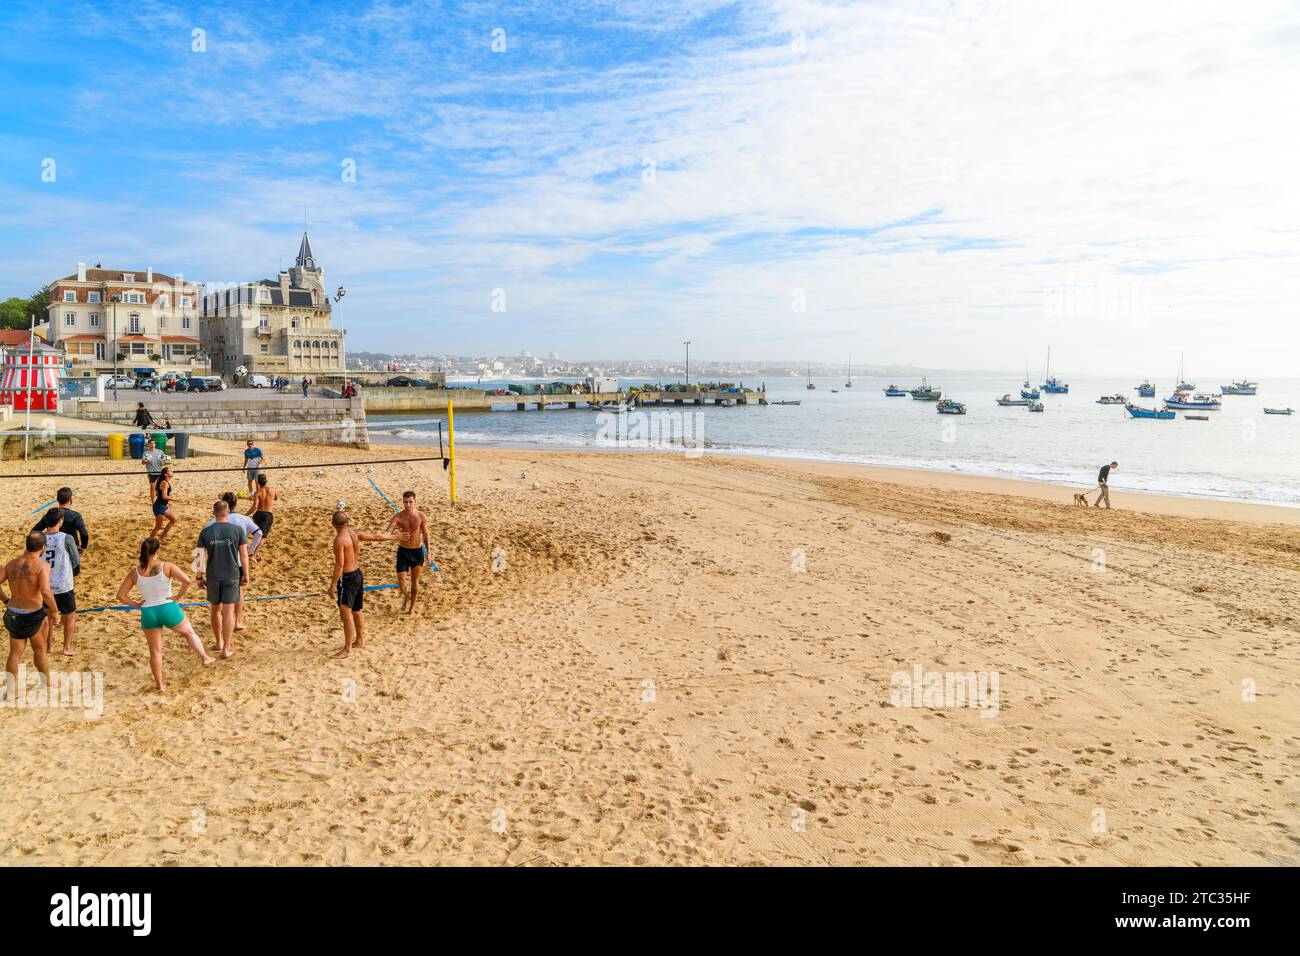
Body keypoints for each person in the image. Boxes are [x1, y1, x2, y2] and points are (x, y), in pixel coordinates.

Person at [116, 537, 214, 691]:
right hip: (167, 607)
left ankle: (160, 685)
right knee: (189, 633)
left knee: (155, 652)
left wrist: (137, 605)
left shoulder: (135, 572)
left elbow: (120, 595)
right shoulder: (166, 566)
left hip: (148, 611)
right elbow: (187, 580)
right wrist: (177, 596)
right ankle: (205, 657)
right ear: (158, 551)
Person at [329, 510, 400, 659]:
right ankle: (359, 640)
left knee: (345, 613)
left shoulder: (339, 540)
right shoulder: (354, 533)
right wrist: (394, 536)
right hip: (357, 575)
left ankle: (347, 649)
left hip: (347, 578)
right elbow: (376, 536)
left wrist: (332, 585)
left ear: (333, 525)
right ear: (347, 522)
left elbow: (340, 564)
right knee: (356, 610)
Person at [0, 532, 60, 696]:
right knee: (39, 650)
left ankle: (12, 691)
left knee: (15, 653)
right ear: (42, 548)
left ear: (27, 545)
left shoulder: (12, 564)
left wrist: (6, 600)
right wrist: (54, 611)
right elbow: (46, 592)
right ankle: (46, 685)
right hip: (31, 615)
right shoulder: (42, 566)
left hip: (12, 614)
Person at [196, 500, 249, 658]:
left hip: (213, 575)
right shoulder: (237, 530)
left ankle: (218, 642)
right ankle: (226, 649)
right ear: (228, 513)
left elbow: (199, 556)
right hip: (232, 574)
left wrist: (199, 576)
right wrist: (246, 574)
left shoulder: (206, 532)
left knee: (215, 611)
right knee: (228, 612)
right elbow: (244, 555)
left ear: (214, 513)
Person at [206, 492, 262, 631]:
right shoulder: (243, 519)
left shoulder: (213, 521)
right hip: (238, 561)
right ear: (235, 504)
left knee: (217, 600)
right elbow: (259, 534)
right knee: (239, 592)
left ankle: (225, 622)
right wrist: (251, 552)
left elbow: (205, 542)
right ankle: (237, 621)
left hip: (218, 562)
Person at [36, 508, 80, 657]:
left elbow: (31, 558)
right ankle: (66, 647)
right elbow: (76, 560)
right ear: (60, 521)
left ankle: (49, 645)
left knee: (47, 615)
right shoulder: (66, 538)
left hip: (44, 585)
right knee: (70, 615)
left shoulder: (38, 538)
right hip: (63, 584)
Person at [385, 490, 431, 614]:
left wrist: (429, 553)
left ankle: (412, 607)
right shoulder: (398, 517)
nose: (408, 505)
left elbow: (426, 535)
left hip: (417, 552)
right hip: (403, 552)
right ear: (403, 502)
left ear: (415, 502)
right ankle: (406, 596)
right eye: (406, 502)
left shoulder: (421, 516)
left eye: (410, 502)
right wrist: (377, 540)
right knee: (401, 582)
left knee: (415, 582)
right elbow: (388, 530)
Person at [30, 487, 89, 551]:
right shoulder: (75, 516)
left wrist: (41, 545)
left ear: (58, 500)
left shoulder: (50, 514)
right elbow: (84, 534)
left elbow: (34, 532)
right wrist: (83, 547)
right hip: (69, 548)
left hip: (53, 547)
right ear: (70, 499)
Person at [247, 474, 277, 549]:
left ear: (258, 483)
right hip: (268, 515)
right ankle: (253, 555)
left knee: (249, 531)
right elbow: (276, 498)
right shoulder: (272, 490)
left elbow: (255, 507)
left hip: (258, 514)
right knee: (263, 537)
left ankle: (243, 547)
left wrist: (246, 514)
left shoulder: (257, 492)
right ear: (266, 481)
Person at [150, 466, 177, 540]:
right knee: (158, 527)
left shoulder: (166, 482)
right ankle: (149, 541)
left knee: (173, 519)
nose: (172, 471)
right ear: (165, 474)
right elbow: (164, 496)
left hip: (163, 506)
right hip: (159, 507)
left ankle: (161, 537)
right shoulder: (165, 483)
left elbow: (158, 494)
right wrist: (175, 499)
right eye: (170, 471)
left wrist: (168, 503)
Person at [142, 437, 166, 501]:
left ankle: (160, 500)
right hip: (151, 473)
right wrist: (146, 461)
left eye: (153, 443)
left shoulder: (160, 452)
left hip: (160, 472)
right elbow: (143, 463)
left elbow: (165, 460)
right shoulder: (146, 453)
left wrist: (164, 462)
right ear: (148, 445)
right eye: (150, 443)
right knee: (152, 488)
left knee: (161, 488)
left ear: (155, 444)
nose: (152, 444)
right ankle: (153, 502)